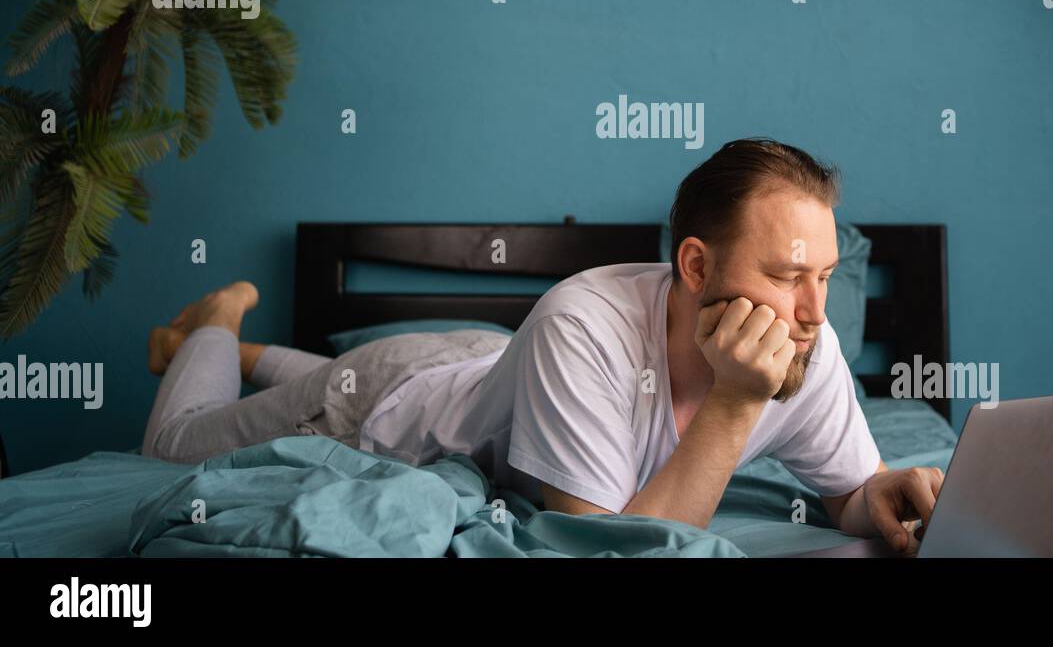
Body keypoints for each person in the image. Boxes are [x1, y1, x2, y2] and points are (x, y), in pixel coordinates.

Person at [143, 138, 943, 552]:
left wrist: (874, 499)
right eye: (787, 275)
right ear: (696, 266)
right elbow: (621, 551)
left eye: (828, 277)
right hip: (381, 405)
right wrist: (735, 403)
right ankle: (215, 324)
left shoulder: (808, 335)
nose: (813, 310)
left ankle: (255, 357)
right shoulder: (580, 322)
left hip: (482, 363)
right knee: (173, 444)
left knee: (349, 374)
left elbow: (846, 490)